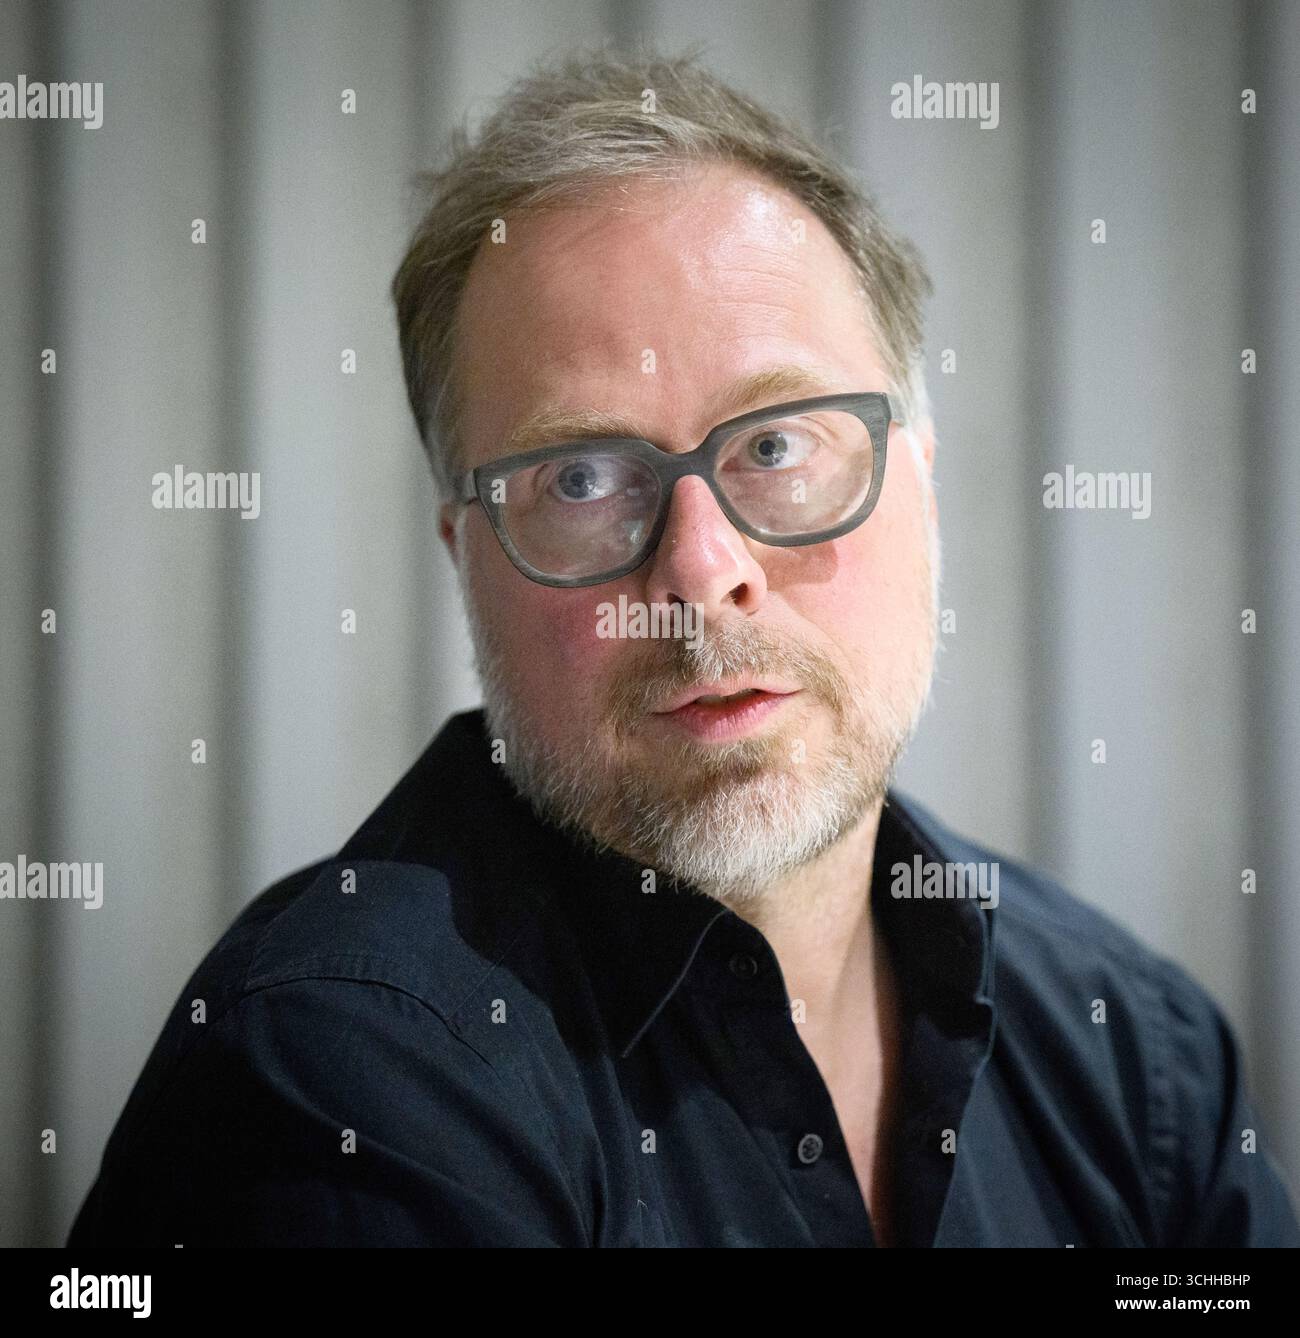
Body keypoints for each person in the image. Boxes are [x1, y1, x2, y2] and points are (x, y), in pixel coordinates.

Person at [68, 47, 1298, 1248]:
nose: (702, 570)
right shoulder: (343, 1082)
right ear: (465, 554)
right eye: (585, 475)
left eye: (774, 446)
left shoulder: (1136, 1053)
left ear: (920, 480)